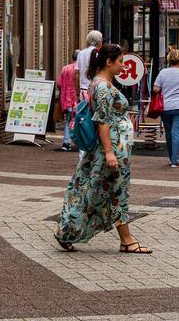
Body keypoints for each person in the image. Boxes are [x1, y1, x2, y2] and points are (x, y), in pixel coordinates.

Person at [55, 43, 151, 254]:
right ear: (109, 62)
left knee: (96, 190)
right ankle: (125, 240)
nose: (123, 67)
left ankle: (68, 231)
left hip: (110, 149)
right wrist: (109, 152)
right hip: (111, 149)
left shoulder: (98, 83)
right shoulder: (103, 87)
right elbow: (103, 121)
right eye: (120, 62)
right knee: (114, 191)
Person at [152, 47, 179, 168]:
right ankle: (175, 160)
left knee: (169, 133)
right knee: (177, 133)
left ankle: (172, 158)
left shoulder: (163, 72)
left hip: (166, 107)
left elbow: (156, 89)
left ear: (169, 60)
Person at [58, 50, 79, 152]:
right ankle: (76, 142)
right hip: (77, 100)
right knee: (78, 121)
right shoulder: (80, 69)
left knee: (69, 121)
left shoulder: (65, 69)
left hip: (66, 99)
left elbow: (59, 84)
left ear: (72, 58)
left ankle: (66, 143)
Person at [77, 30, 102, 97]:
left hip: (82, 90)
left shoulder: (80, 53)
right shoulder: (97, 53)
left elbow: (77, 73)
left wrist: (77, 91)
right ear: (98, 41)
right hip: (94, 89)